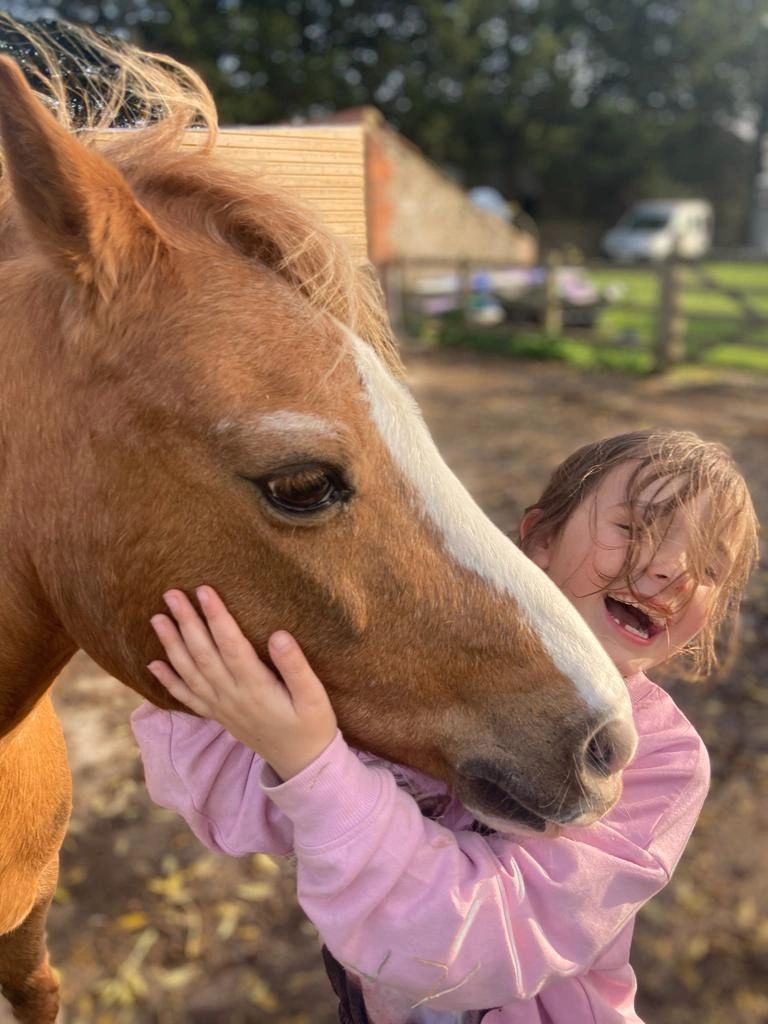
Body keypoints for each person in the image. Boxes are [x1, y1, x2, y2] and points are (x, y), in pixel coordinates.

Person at [131, 429, 759, 1023]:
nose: (670, 571)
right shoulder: (418, 671)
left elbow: (483, 941)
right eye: (634, 528)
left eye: (709, 569)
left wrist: (313, 764)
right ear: (538, 539)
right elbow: (238, 804)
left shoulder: (661, 762)